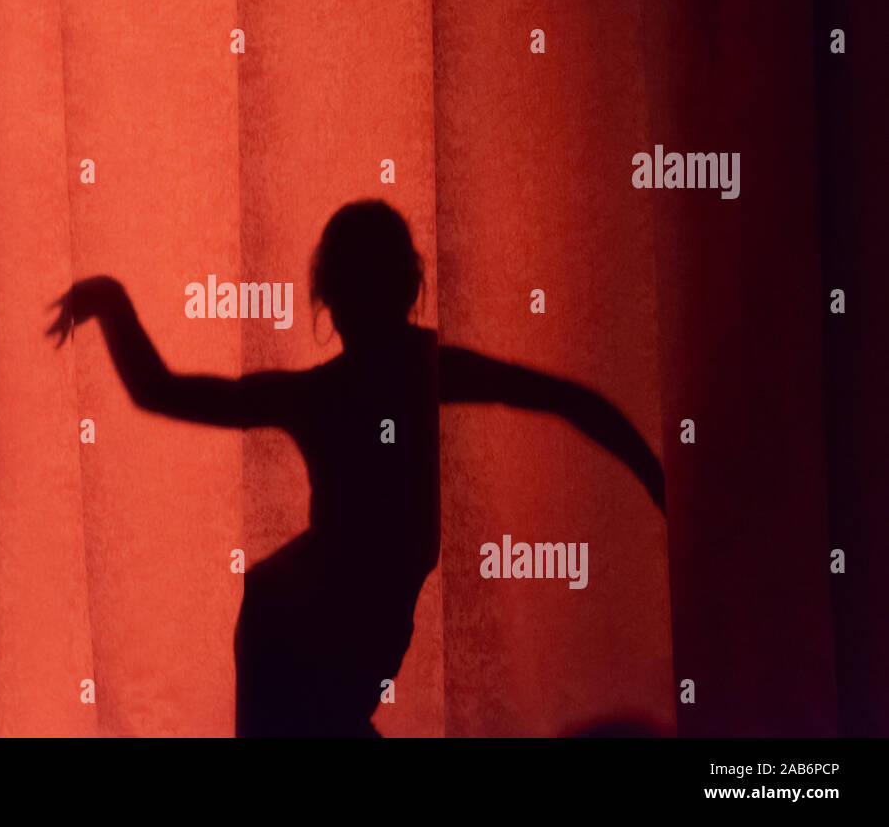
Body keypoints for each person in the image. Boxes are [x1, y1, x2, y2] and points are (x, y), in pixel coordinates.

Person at [48, 199, 665, 737]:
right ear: (410, 289)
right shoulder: (413, 373)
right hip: (300, 640)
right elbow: (567, 399)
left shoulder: (342, 389)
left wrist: (109, 299)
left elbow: (165, 392)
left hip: (294, 637)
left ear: (329, 301)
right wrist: (655, 479)